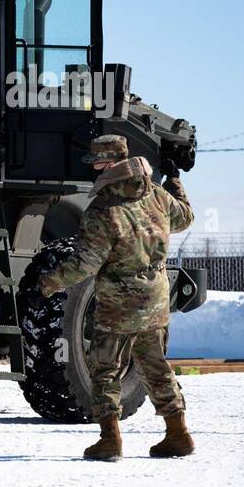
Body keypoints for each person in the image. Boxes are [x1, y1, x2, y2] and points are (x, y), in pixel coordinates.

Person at [38, 134, 195, 461]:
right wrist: (176, 180)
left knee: (106, 370)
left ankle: (109, 440)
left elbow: (87, 263)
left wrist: (49, 283)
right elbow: (185, 217)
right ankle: (178, 432)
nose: (93, 167)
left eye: (97, 161)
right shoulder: (157, 196)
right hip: (155, 299)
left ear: (111, 162)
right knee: (155, 366)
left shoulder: (103, 208)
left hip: (118, 305)